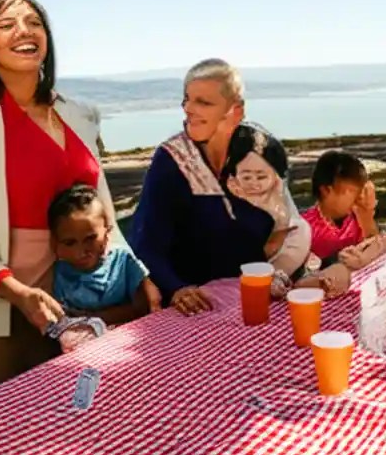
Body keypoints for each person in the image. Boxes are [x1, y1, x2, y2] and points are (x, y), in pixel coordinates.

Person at [0, 0, 141, 404]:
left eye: (34, 22)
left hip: (72, 309)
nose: (24, 31)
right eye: (6, 25)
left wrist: (138, 275)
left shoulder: (78, 113)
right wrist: (17, 293)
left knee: (68, 433)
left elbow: (103, 213)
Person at [129, 59, 305, 315]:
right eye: (187, 99)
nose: (188, 109)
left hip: (259, 296)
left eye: (203, 102)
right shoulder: (170, 161)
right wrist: (177, 288)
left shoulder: (259, 153)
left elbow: (288, 226)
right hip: (195, 305)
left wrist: (278, 274)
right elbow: (146, 243)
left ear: (235, 111)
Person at [49, 183, 158, 326]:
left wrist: (95, 317)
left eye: (90, 239)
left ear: (107, 231)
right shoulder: (61, 273)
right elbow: (65, 320)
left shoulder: (123, 262)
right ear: (55, 243)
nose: (81, 252)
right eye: (70, 243)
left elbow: (146, 306)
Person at [221, 123, 311, 297]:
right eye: (247, 177)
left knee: (300, 231)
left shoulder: (284, 212)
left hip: (264, 271)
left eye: (261, 177)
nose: (254, 183)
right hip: (221, 280)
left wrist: (279, 221)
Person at [294, 151, 386, 297]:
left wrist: (366, 215)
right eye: (353, 191)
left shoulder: (356, 216)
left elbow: (375, 243)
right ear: (327, 190)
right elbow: (300, 276)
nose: (359, 197)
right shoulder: (305, 226)